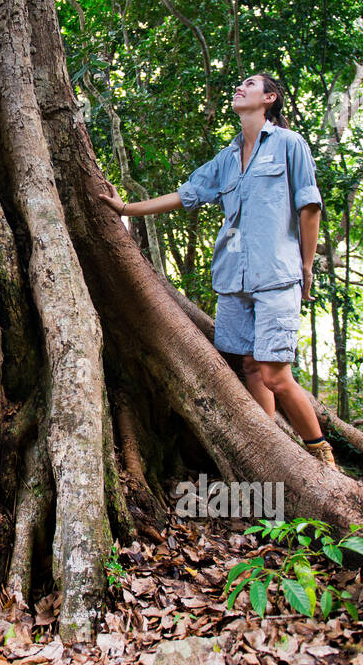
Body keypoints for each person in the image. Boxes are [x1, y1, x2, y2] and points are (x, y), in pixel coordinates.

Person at [98, 72, 339, 470]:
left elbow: (309, 206)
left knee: (276, 373)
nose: (239, 87)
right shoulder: (227, 158)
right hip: (234, 277)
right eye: (238, 84)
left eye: (249, 84)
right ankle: (270, 456)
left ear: (269, 98)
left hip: (277, 275)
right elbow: (185, 195)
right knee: (249, 367)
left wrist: (307, 265)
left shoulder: (288, 145)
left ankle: (322, 457)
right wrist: (125, 210)